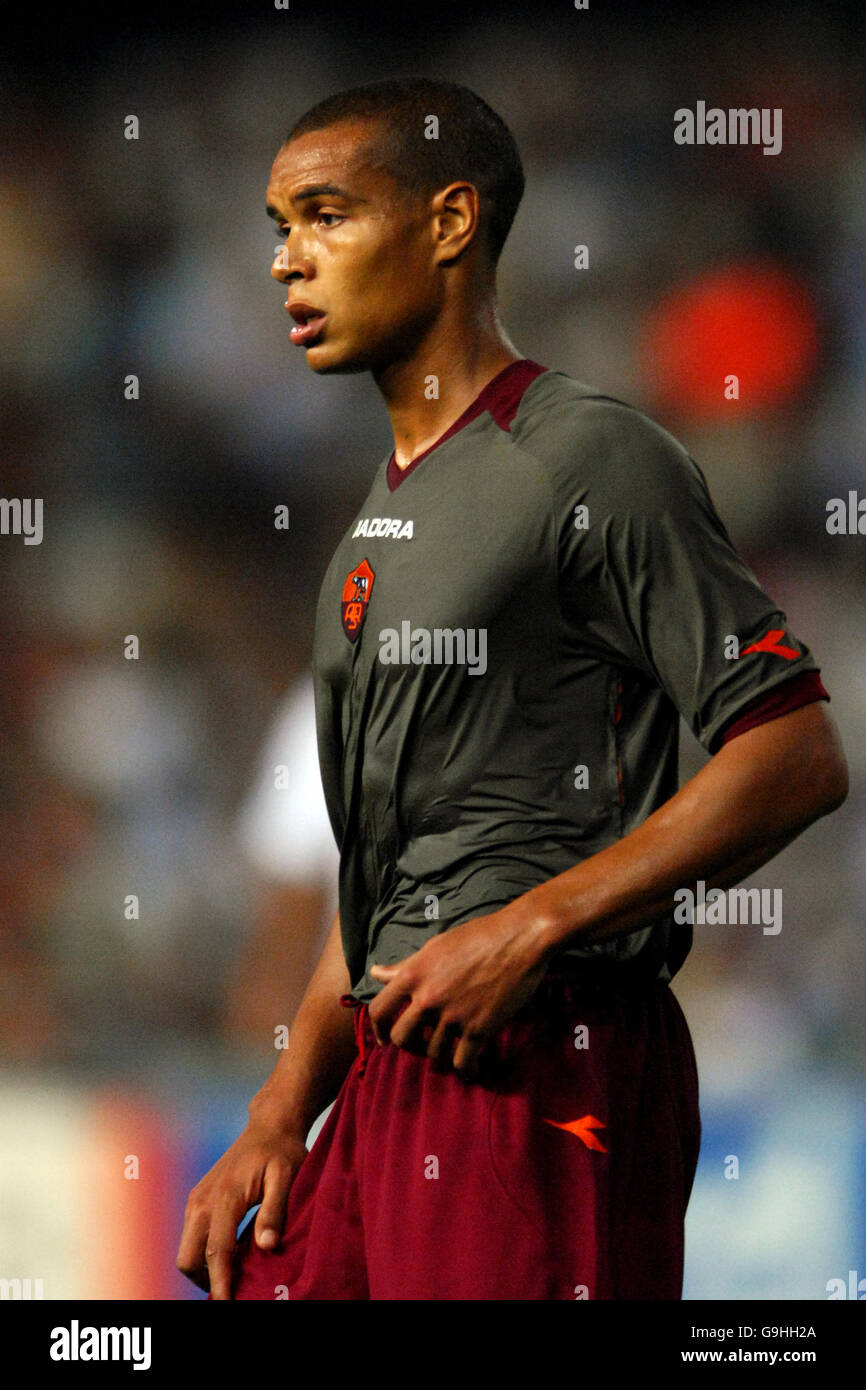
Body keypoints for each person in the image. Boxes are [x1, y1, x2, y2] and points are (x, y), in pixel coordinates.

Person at [176, 77, 848, 1301]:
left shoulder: (586, 455)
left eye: (325, 215)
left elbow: (793, 752)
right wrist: (279, 1111)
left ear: (447, 223)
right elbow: (383, 874)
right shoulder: (375, 528)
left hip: (541, 1061)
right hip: (388, 1075)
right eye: (279, 226)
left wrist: (534, 926)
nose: (286, 261)